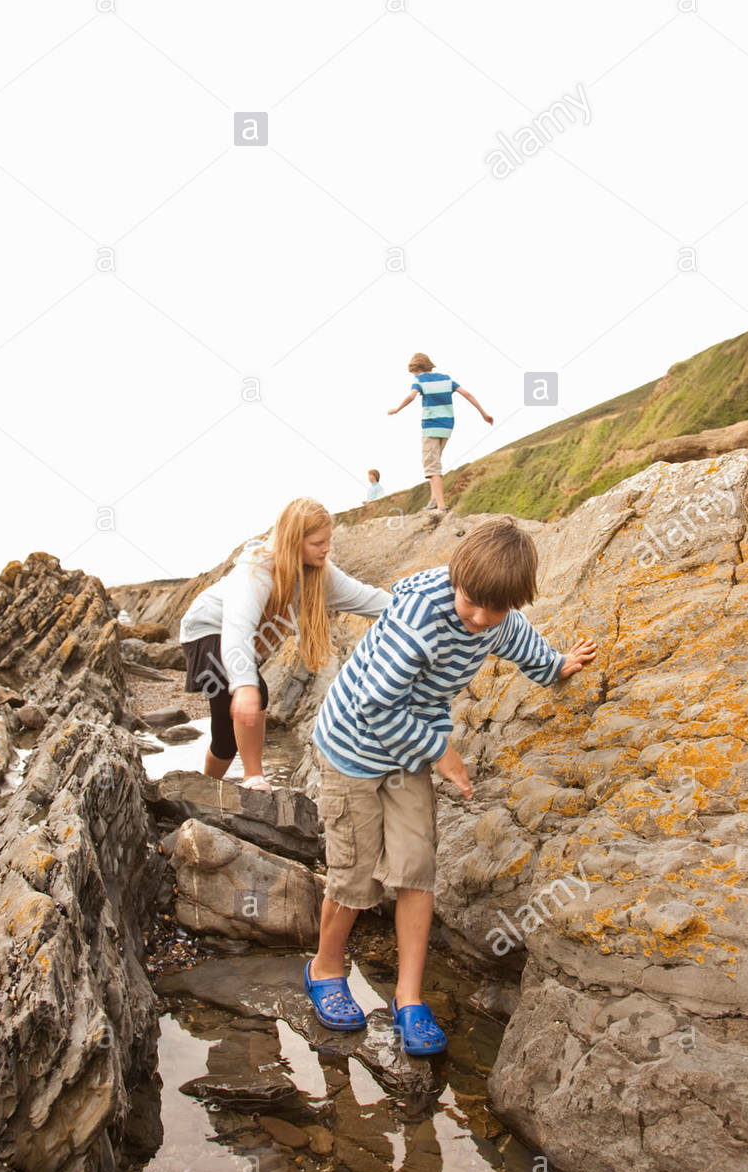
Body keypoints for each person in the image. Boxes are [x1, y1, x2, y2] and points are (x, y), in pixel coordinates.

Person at [304, 516, 597, 1054]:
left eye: (496, 610)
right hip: (353, 750)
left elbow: (520, 641)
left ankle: (408, 998)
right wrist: (441, 750)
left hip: (408, 750)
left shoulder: (496, 616)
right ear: (456, 580)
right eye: (471, 604)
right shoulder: (418, 618)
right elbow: (374, 703)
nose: (481, 620)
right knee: (354, 874)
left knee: (417, 869)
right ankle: (325, 968)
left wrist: (557, 666)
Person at [179, 498, 390, 792]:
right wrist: (244, 685)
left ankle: (204, 789)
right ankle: (252, 778)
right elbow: (237, 628)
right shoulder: (257, 569)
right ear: (294, 541)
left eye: (328, 540)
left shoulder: (320, 574)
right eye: (318, 542)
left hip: (238, 641)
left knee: (226, 738)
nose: (326, 548)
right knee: (253, 694)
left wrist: (423, 606)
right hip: (205, 629)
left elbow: (369, 600)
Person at [387, 353, 494, 514]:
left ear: (417, 369)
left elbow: (411, 396)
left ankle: (441, 505)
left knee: (432, 466)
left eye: (413, 372)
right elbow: (467, 394)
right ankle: (433, 500)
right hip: (447, 426)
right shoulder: (446, 379)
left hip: (431, 426)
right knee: (435, 461)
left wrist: (397, 409)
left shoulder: (419, 381)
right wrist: (484, 414)